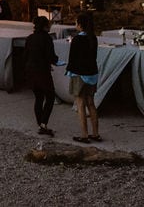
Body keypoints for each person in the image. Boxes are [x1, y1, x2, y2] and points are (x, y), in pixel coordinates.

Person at [25, 15, 62, 136]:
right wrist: (56, 61)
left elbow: (26, 54)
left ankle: (40, 123)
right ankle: (43, 123)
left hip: (31, 70)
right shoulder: (47, 38)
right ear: (46, 26)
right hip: (43, 71)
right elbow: (51, 55)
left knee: (38, 98)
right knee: (50, 96)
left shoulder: (30, 38)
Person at [67, 12, 100, 143]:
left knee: (80, 104)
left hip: (79, 74)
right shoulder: (93, 38)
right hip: (92, 73)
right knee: (91, 103)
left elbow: (72, 58)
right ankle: (96, 133)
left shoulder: (77, 39)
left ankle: (84, 134)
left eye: (76, 22)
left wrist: (69, 70)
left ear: (80, 25)